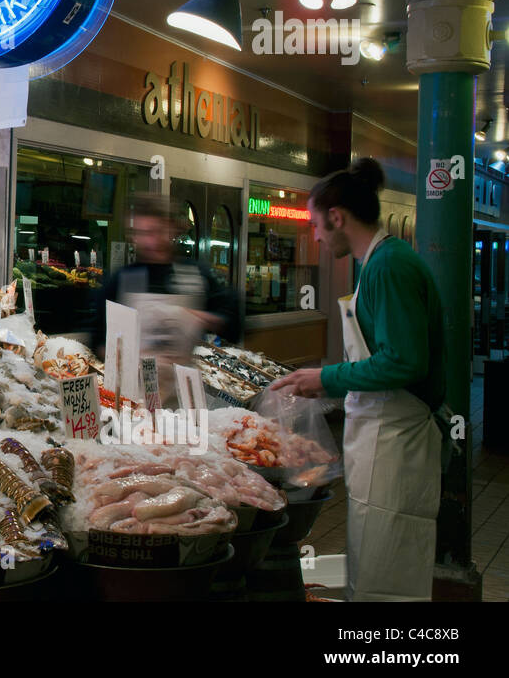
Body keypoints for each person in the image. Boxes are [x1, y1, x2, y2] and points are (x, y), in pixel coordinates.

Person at [271, 158, 443, 602]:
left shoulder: (389, 266)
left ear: (336, 216)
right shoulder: (380, 263)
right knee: (377, 558)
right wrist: (325, 379)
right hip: (384, 437)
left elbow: (404, 362)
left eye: (315, 224)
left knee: (389, 568)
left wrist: (327, 378)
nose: (316, 235)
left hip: (397, 438)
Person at [91, 193, 240, 401]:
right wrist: (125, 358)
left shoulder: (193, 274)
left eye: (156, 231)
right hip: (133, 398)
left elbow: (234, 322)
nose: (150, 241)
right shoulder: (126, 278)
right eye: (142, 233)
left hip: (183, 397)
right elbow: (97, 337)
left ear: (171, 228)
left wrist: (199, 317)